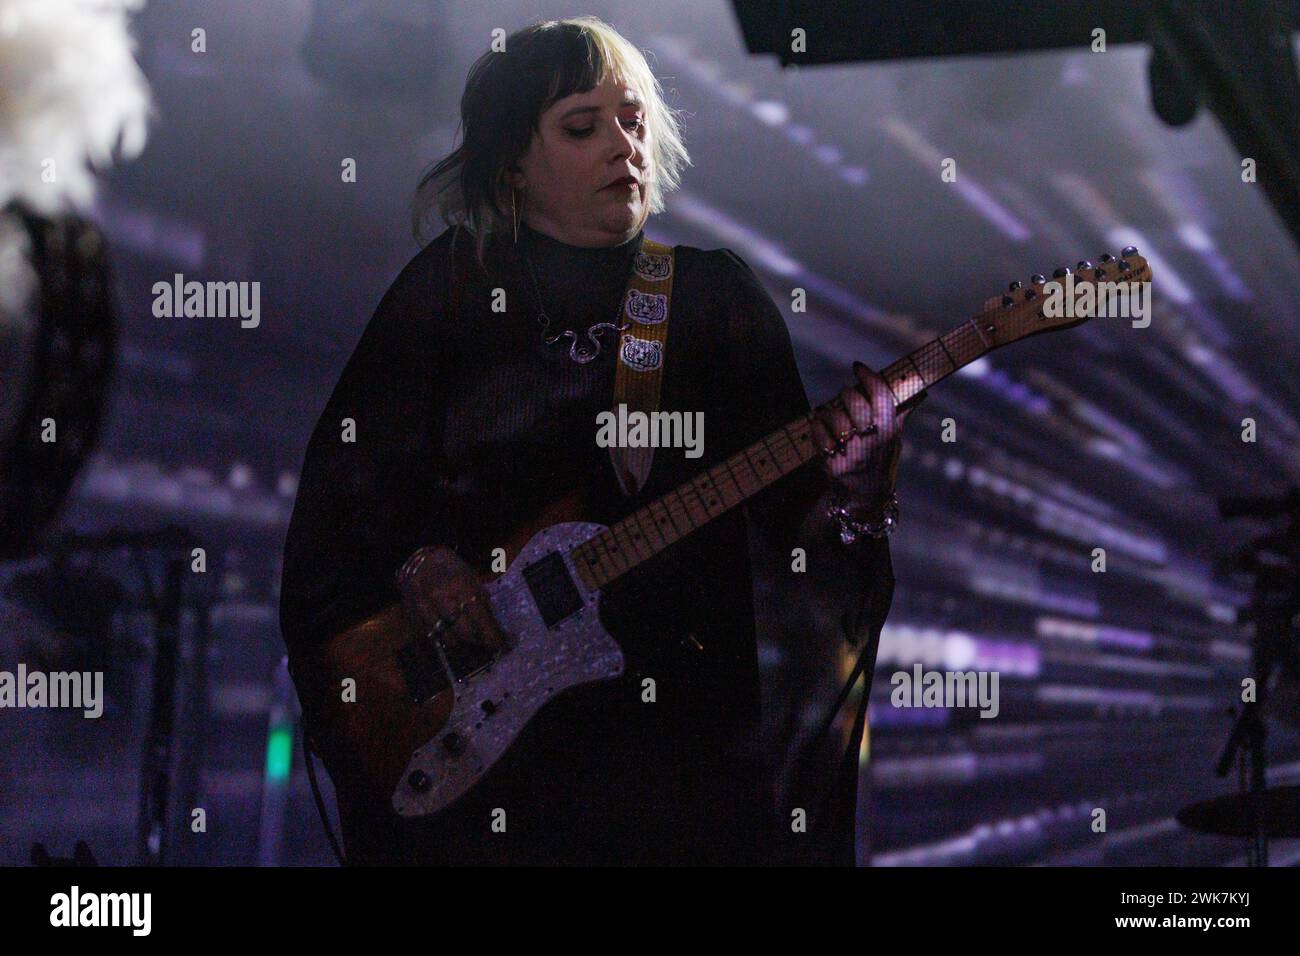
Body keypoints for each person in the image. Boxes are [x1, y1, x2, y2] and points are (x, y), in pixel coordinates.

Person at [279, 16, 919, 866]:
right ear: (513, 160)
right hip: (485, 761)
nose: (623, 144)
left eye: (634, 120)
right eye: (583, 126)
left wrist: (860, 487)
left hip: (671, 767)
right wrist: (419, 562)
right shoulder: (449, 291)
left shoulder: (710, 299)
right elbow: (341, 502)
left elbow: (797, 546)